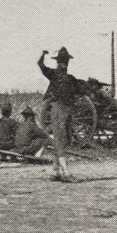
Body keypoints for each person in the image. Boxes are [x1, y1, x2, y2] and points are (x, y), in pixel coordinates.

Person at [38, 47, 82, 180]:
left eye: (64, 62)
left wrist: (42, 55)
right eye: (64, 61)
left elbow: (41, 65)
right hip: (61, 110)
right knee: (61, 139)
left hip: (62, 110)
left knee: (63, 139)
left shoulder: (58, 76)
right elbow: (81, 93)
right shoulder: (68, 78)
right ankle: (66, 172)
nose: (64, 64)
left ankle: (55, 171)